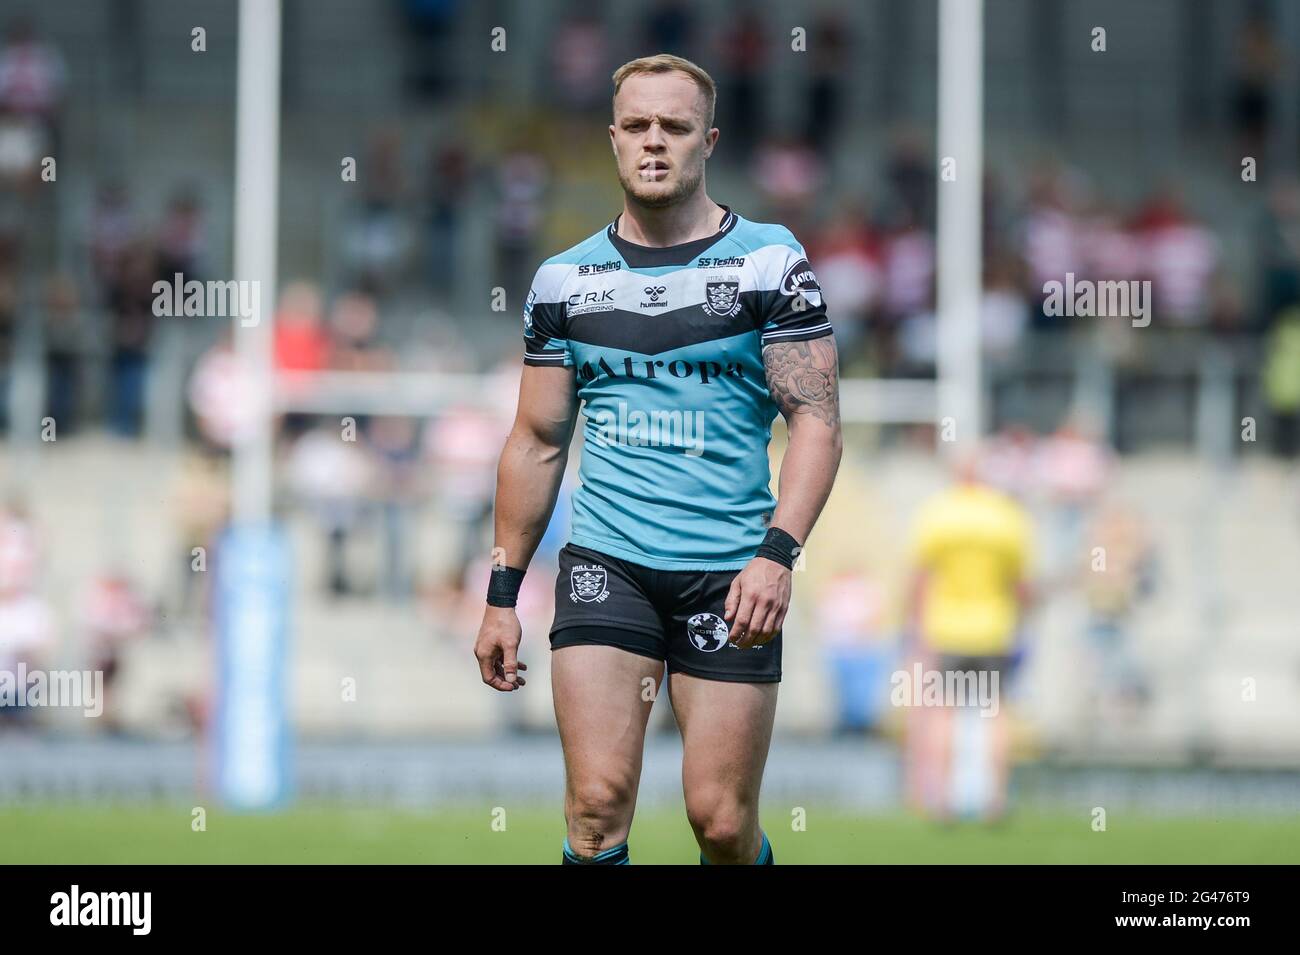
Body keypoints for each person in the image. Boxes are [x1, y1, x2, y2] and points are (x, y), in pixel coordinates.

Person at [472, 54, 842, 865]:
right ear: (612, 139)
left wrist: (778, 555)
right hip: (610, 563)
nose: (653, 142)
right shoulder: (563, 281)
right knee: (596, 808)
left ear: (707, 140)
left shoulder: (770, 263)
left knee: (719, 820)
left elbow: (816, 421)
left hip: (732, 574)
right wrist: (503, 591)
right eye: (636, 125)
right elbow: (536, 441)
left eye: (674, 127)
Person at [904, 451, 1033, 823]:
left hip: (946, 629)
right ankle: (995, 800)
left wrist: (916, 626)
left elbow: (920, 578)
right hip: (994, 629)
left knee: (943, 712)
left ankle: (942, 799)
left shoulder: (938, 513)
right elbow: (1021, 584)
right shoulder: (1006, 517)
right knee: (996, 713)